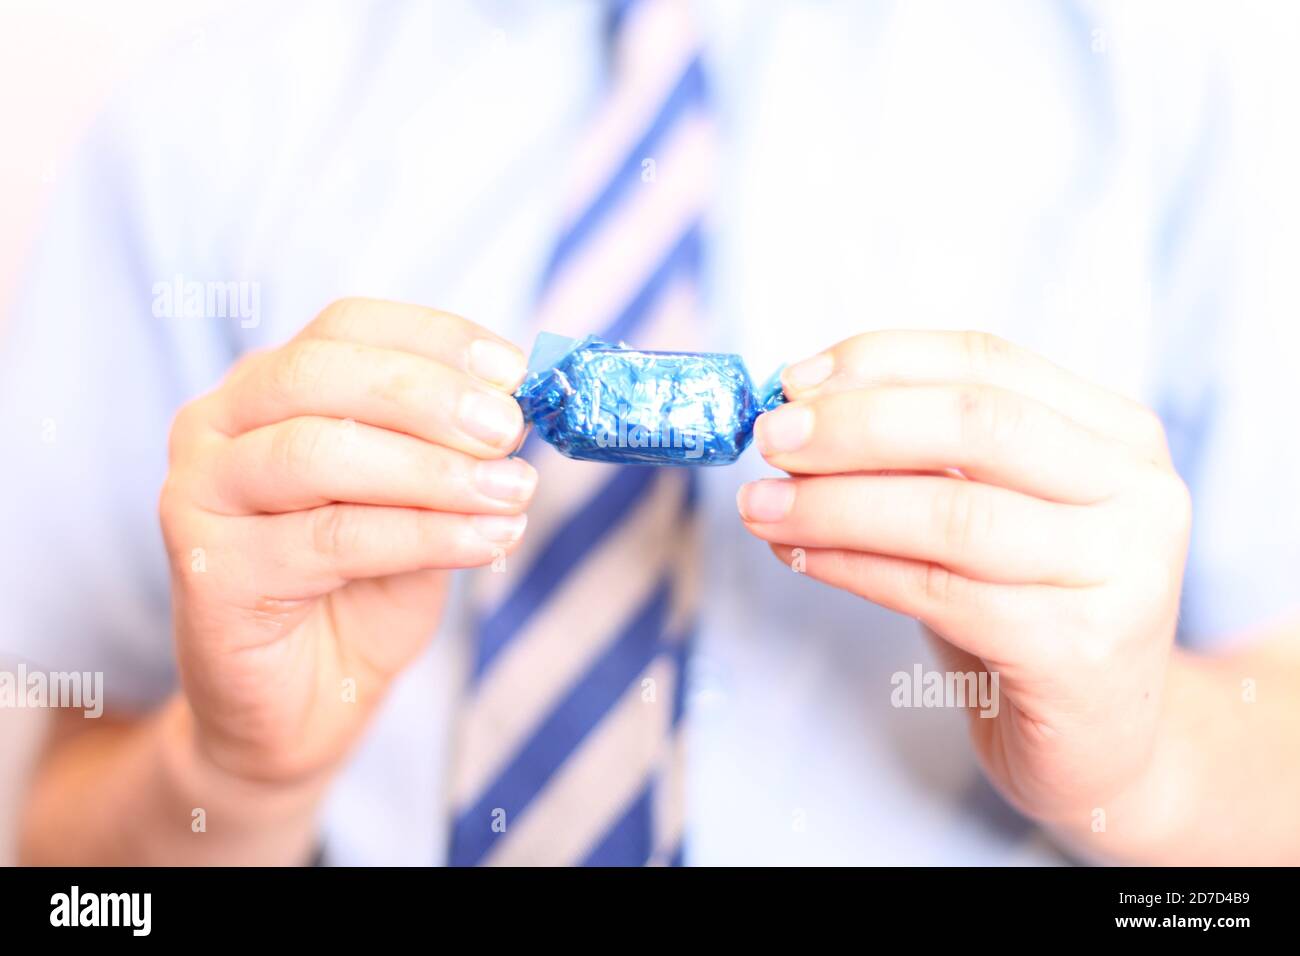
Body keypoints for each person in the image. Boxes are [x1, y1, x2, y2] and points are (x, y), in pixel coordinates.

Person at [4, 0, 1299, 866]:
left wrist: (1144, 761)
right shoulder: (207, 116)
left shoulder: (1171, 98)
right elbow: (68, 869)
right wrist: (231, 777)